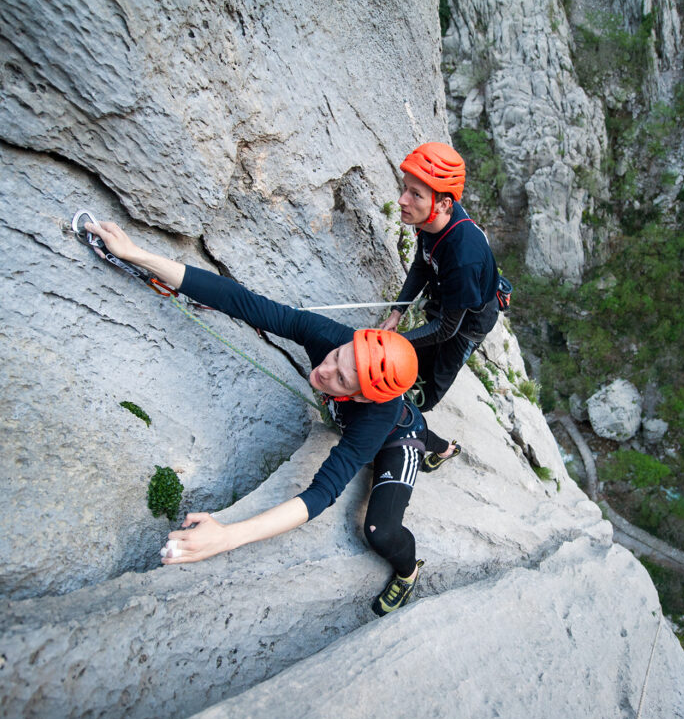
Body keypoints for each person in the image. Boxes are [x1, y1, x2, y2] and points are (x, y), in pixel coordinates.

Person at [86, 221, 459, 616]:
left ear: (363, 394)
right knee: (412, 419)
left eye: (341, 378)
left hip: (397, 438)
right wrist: (137, 254)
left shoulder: (373, 420)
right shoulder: (335, 340)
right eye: (335, 358)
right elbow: (246, 303)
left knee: (379, 531)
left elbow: (318, 495)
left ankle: (408, 570)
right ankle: (441, 449)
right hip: (401, 411)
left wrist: (226, 537)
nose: (325, 371)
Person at [380, 142, 501, 426]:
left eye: (415, 194)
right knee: (415, 356)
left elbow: (448, 329)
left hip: (468, 323)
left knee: (429, 390)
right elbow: (422, 264)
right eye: (405, 188)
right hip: (447, 295)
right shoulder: (430, 218)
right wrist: (398, 310)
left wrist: (397, 340)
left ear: (445, 203)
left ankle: (412, 432)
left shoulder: (463, 256)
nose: (402, 200)